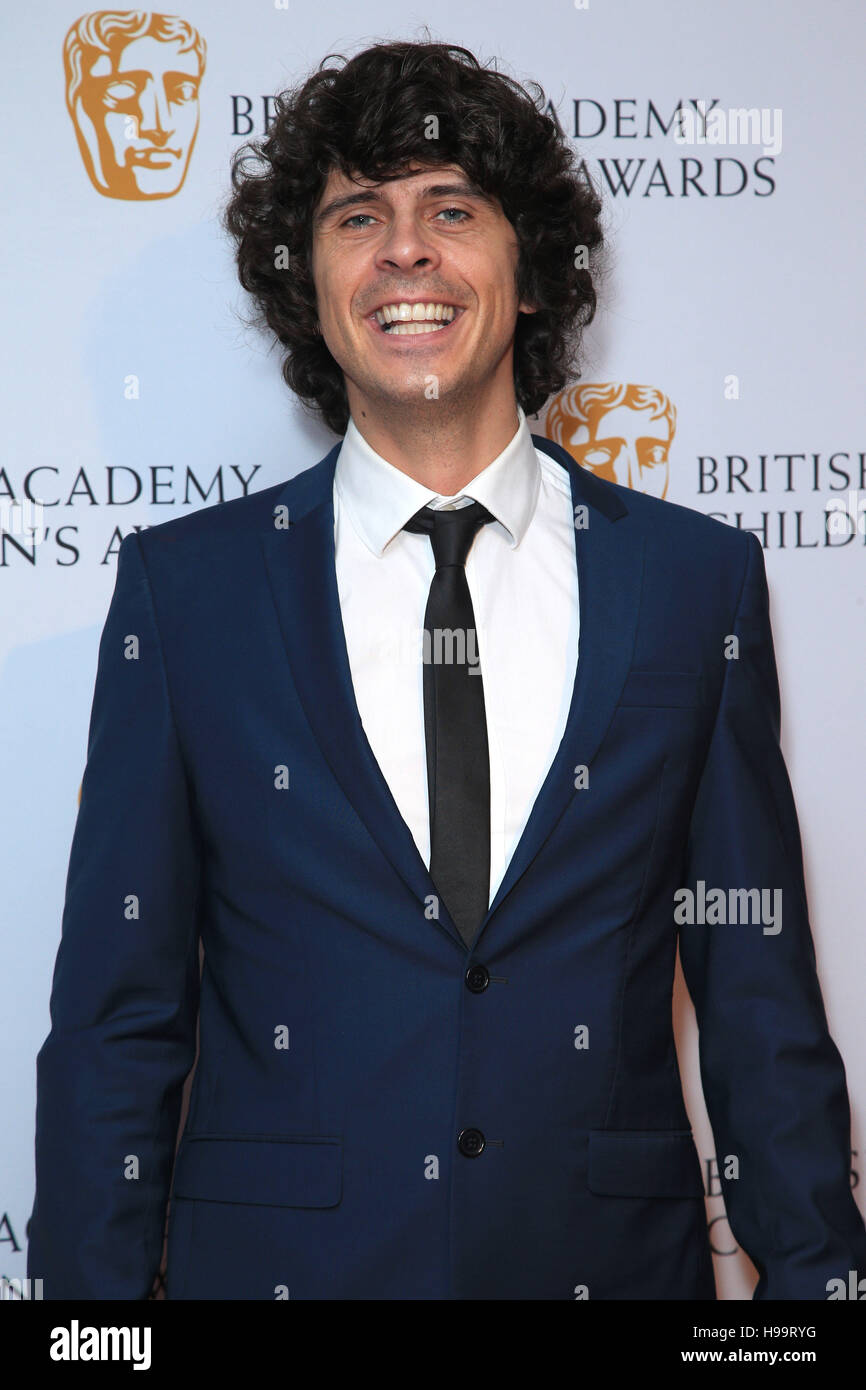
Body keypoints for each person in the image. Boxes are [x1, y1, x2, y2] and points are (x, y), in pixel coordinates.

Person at [28, 38, 866, 1300]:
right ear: (307, 286)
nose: (403, 250)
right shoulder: (186, 594)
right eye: (357, 215)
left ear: (527, 273)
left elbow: (753, 994)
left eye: (451, 210)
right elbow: (117, 1019)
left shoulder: (694, 585)